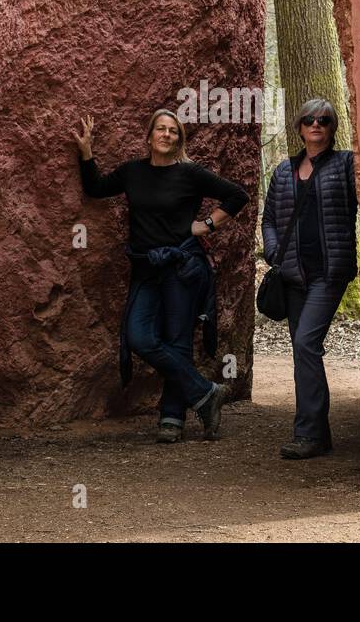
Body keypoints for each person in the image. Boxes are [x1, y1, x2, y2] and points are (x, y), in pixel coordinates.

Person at [74, 109, 248, 443]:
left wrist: (206, 224)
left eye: (173, 131)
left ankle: (172, 418)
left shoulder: (191, 174)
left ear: (179, 139)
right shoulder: (133, 172)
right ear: (150, 135)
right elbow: (96, 187)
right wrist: (86, 153)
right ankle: (206, 393)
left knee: (178, 341)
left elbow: (236, 195)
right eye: (161, 129)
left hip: (182, 267)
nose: (166, 135)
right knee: (139, 336)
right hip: (146, 268)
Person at [261, 98, 358, 459]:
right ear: (299, 127)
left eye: (324, 120)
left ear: (332, 128)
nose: (316, 124)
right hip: (293, 276)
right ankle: (317, 433)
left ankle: (308, 433)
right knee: (304, 352)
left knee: (304, 344)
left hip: (328, 273)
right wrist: (273, 251)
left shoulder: (345, 164)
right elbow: (269, 218)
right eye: (309, 120)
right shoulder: (284, 172)